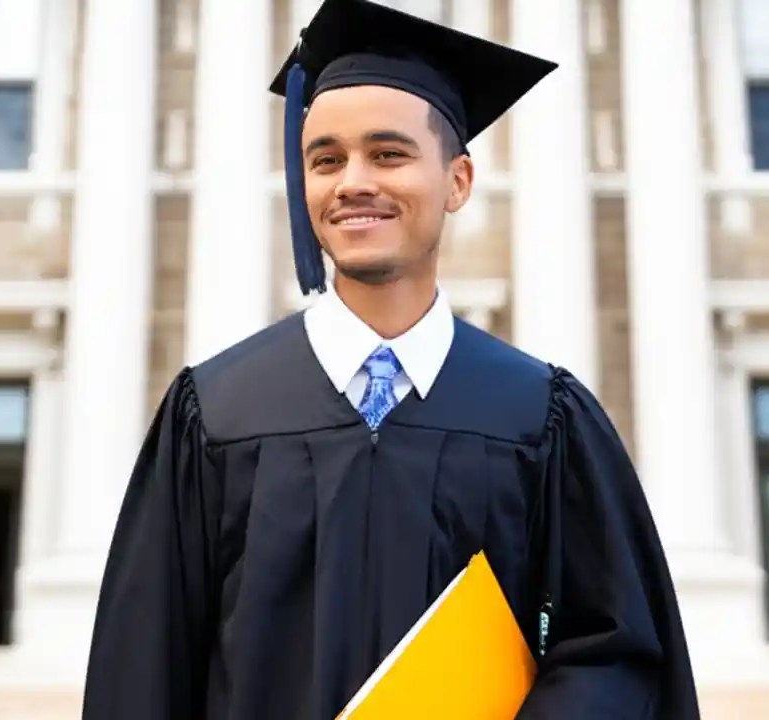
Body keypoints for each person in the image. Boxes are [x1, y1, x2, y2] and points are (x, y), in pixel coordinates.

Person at [82, 0, 699, 717]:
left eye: (388, 153)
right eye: (326, 160)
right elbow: (144, 669)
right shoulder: (215, 414)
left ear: (458, 181)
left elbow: (615, 647)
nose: (352, 182)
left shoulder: (540, 415)